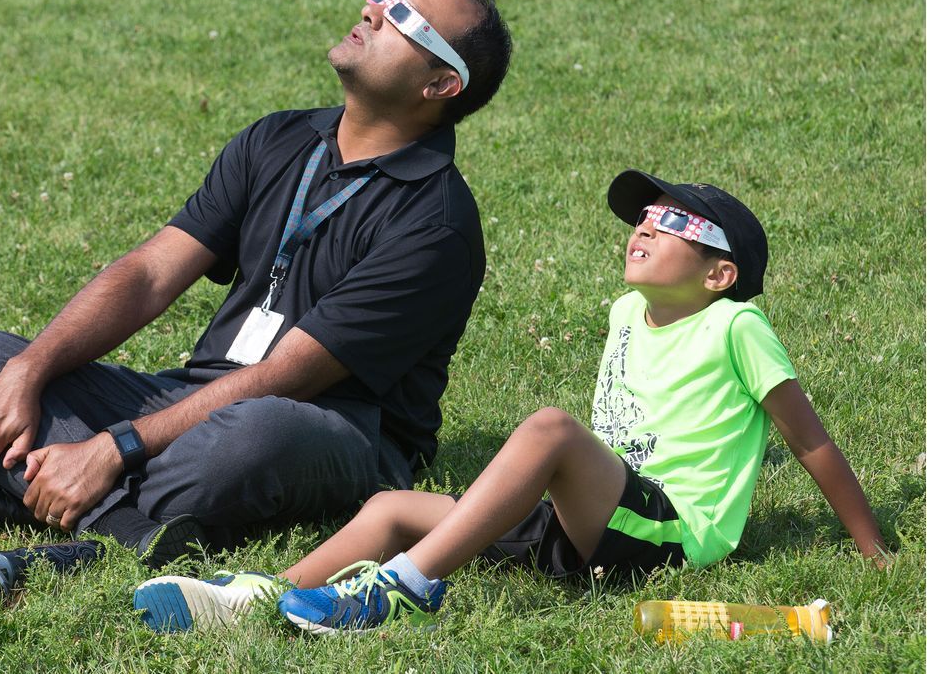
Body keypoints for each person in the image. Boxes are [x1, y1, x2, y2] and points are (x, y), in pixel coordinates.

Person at [132, 170, 888, 632]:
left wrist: (871, 547)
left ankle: (404, 590)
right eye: (644, 216)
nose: (647, 226)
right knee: (393, 506)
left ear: (721, 274)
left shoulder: (738, 325)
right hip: (596, 523)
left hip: (670, 535)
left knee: (551, 430)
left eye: (677, 223)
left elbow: (809, 440)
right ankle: (268, 596)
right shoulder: (627, 312)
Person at [0, 0, 513, 567]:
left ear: (440, 84)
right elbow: (150, 272)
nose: (373, 10)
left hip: (328, 424)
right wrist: (25, 374)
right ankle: (125, 522)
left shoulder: (436, 225)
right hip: (198, 394)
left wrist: (114, 446)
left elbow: (288, 376)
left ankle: (32, 494)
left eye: (404, 16)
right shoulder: (277, 139)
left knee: (244, 443)